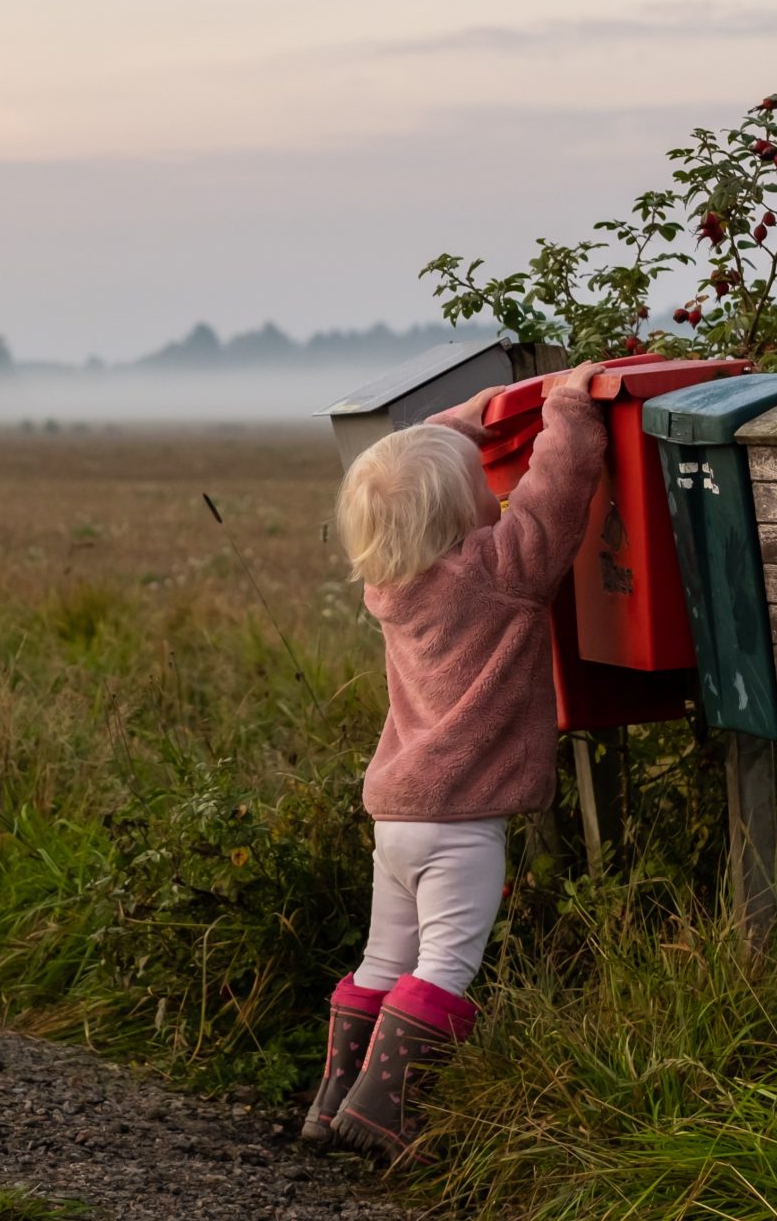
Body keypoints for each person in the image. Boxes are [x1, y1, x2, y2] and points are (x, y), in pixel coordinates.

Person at [299, 362, 607, 1159]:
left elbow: (412, 469)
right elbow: (554, 497)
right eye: (481, 485)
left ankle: (332, 1099)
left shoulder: (389, 584)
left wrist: (469, 419)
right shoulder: (500, 571)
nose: (493, 494)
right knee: (445, 963)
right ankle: (383, 1111)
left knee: (385, 956)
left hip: (397, 818)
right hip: (462, 822)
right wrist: (569, 406)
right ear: (460, 512)